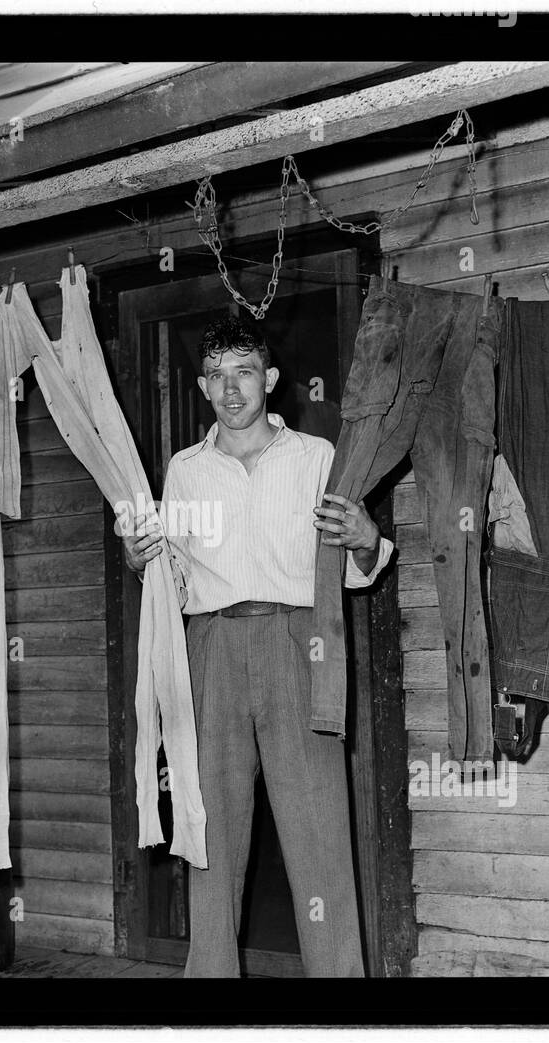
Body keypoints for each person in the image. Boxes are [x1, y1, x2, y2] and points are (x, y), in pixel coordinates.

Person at [123, 315, 391, 978]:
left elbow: (352, 568)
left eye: (243, 371)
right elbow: (175, 578)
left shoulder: (316, 458)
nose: (230, 388)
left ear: (269, 379)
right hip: (209, 648)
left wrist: (364, 535)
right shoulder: (185, 471)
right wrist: (142, 562)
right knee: (208, 834)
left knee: (319, 836)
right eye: (216, 375)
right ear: (203, 386)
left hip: (300, 644)